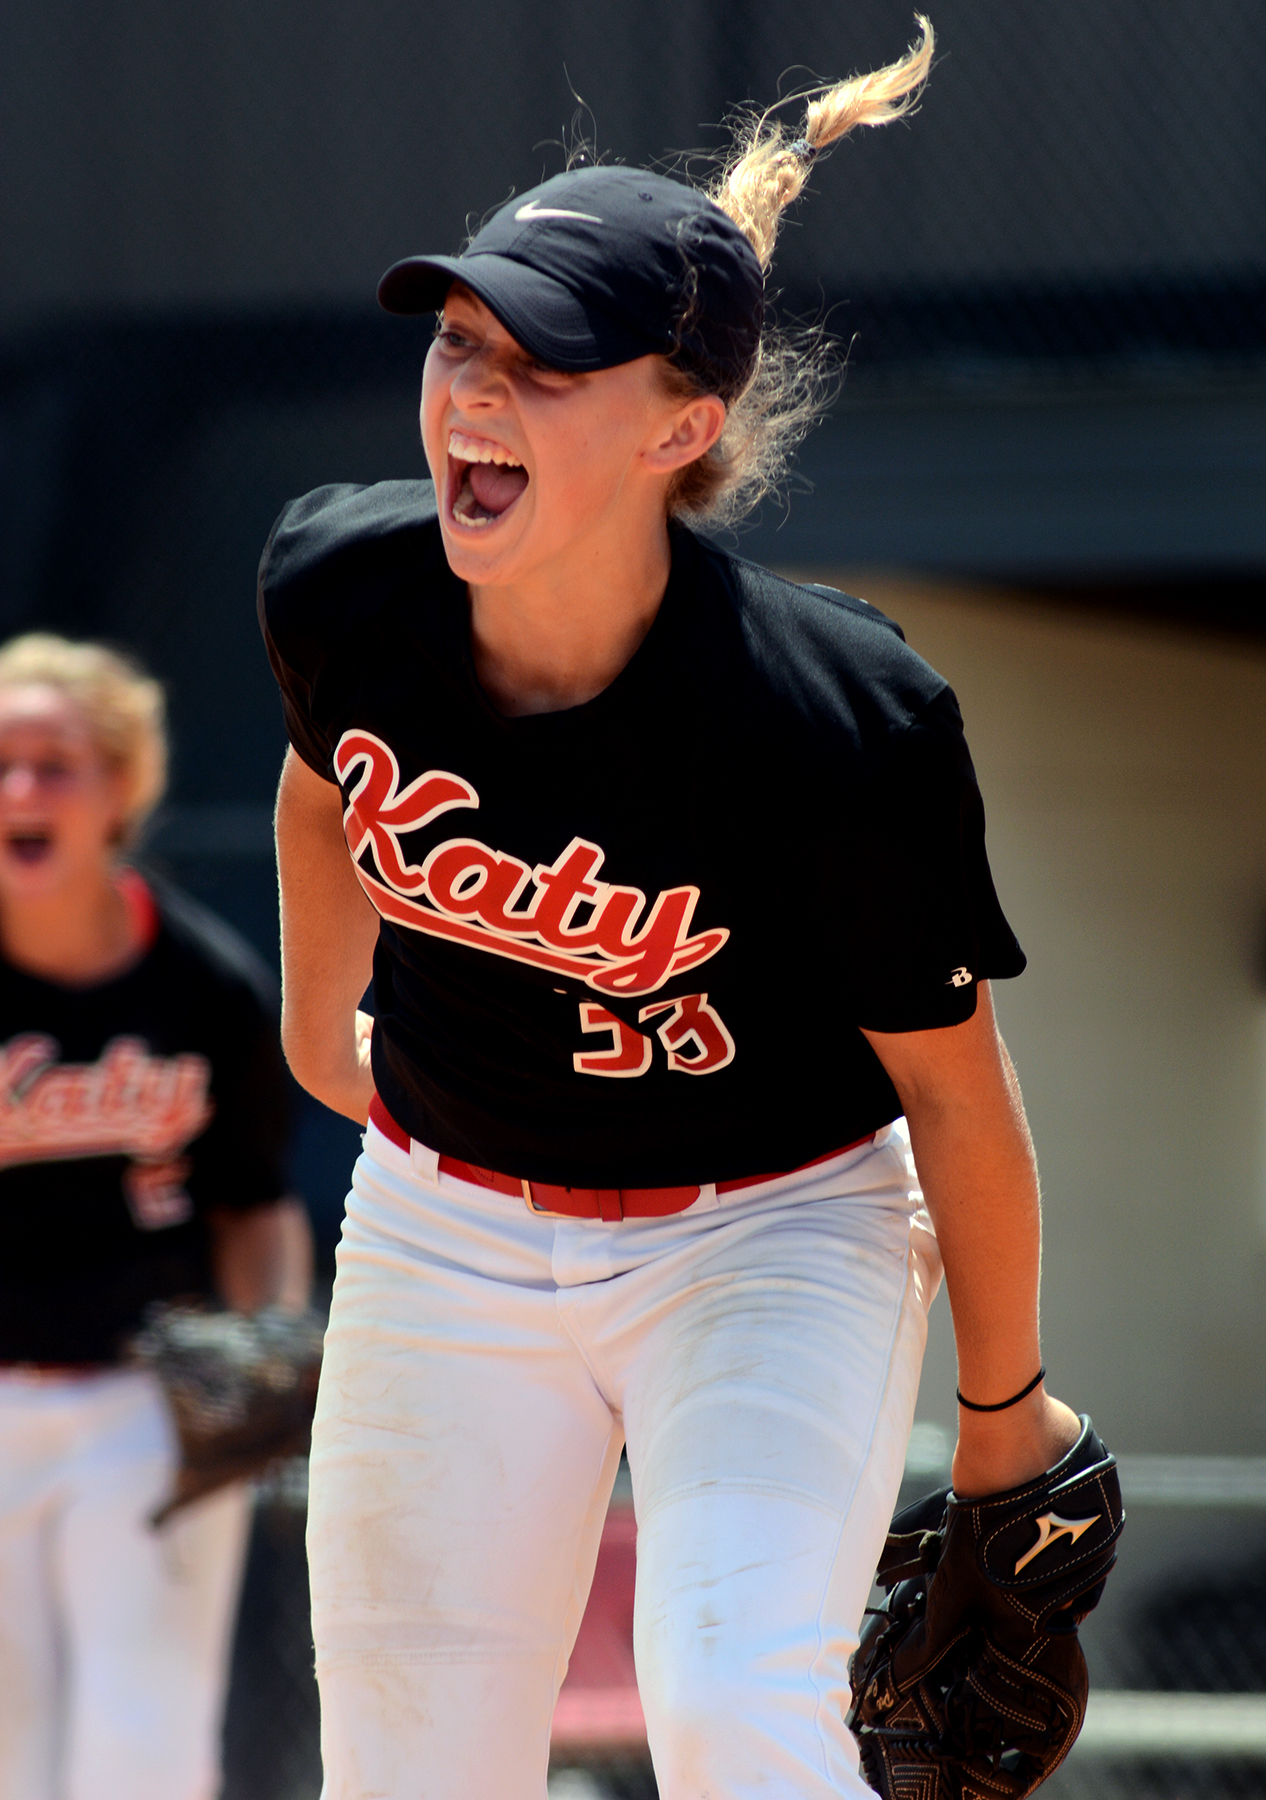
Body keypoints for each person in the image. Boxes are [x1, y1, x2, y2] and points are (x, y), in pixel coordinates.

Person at [260, 17, 1083, 1798]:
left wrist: (1003, 1413)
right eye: (458, 340)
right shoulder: (345, 587)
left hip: (766, 1236)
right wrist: (320, 1034)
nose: (474, 391)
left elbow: (954, 1097)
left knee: (731, 1706)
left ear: (681, 426)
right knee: (403, 1764)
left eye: (545, 364)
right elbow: (323, 789)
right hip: (446, 1227)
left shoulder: (832, 718)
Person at [0, 633, 312, 1800]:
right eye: (1, 766)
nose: (21, 791)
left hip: (146, 1403)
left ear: (122, 789)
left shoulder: (205, 986)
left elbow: (254, 1205)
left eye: (55, 764)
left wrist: (265, 1343)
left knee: (145, 1735)